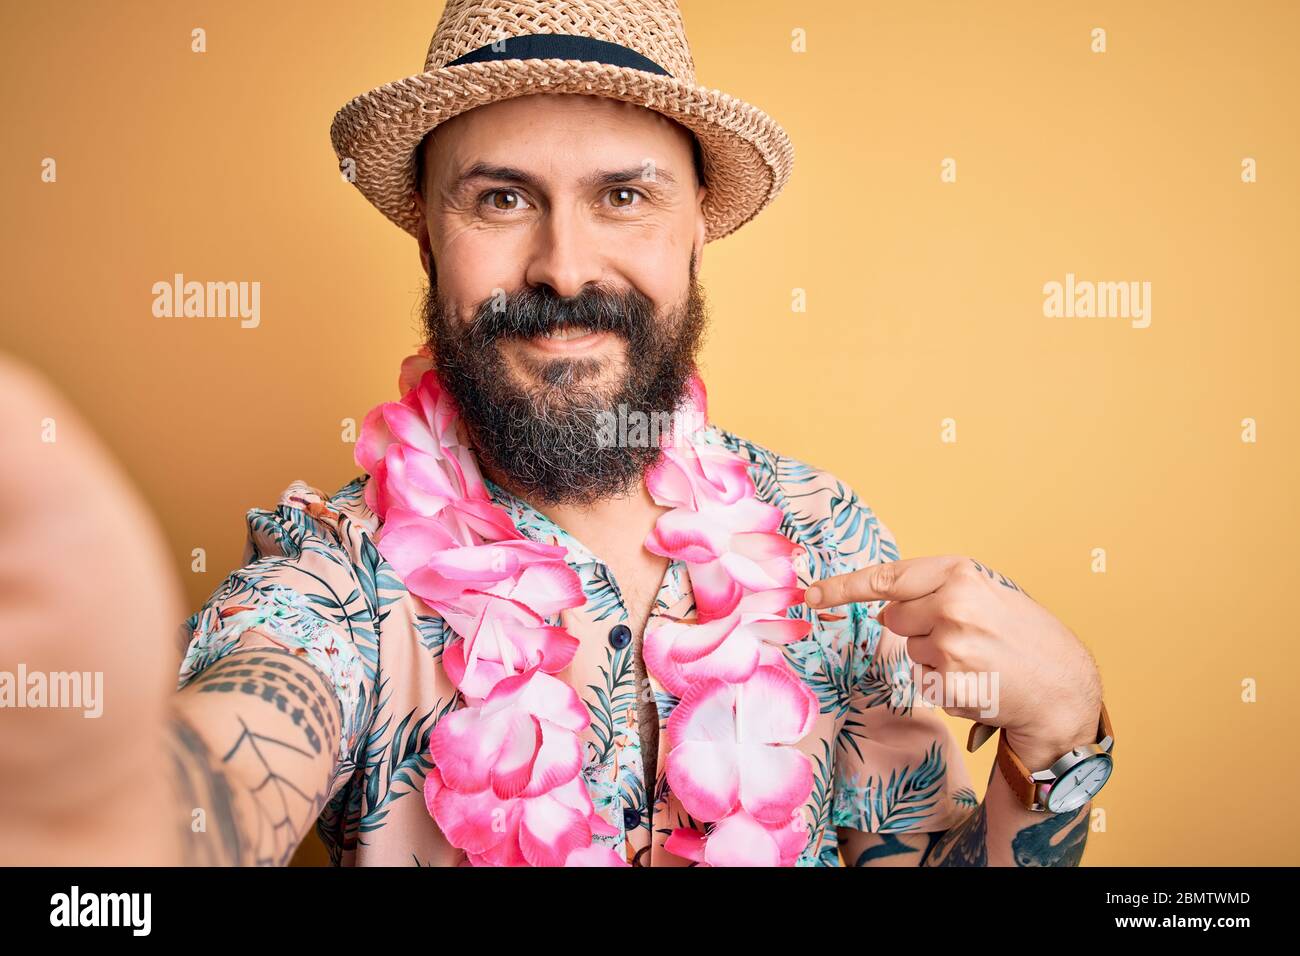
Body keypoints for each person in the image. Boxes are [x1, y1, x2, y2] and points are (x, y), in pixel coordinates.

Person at [13, 0, 1112, 867]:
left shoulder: (824, 544)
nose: (565, 265)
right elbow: (231, 758)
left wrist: (1057, 739)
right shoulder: (339, 579)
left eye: (624, 195)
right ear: (429, 247)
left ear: (694, 237)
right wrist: (100, 826)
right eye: (500, 199)